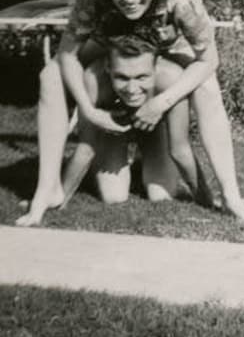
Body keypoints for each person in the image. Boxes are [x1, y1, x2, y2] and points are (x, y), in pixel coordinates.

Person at [16, 0, 244, 227]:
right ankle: (48, 189)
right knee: (51, 76)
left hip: (166, 56)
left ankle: (231, 195)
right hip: (117, 56)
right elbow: (67, 56)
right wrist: (90, 110)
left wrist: (161, 102)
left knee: (207, 86)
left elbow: (209, 60)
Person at [57, 34, 209, 207]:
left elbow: (180, 149)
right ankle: (107, 166)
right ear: (108, 66)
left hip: (154, 129)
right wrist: (59, 198)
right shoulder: (93, 79)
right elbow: (86, 148)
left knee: (161, 195)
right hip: (112, 129)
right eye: (122, 77)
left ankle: (147, 163)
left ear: (156, 67)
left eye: (141, 77)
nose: (131, 89)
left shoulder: (172, 78)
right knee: (113, 197)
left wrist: (207, 200)